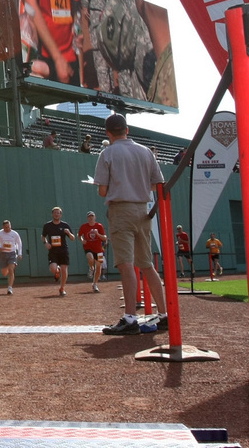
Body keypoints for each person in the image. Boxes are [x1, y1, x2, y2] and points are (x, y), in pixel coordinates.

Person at [96, 113, 169, 335]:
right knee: (147, 264)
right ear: (127, 129)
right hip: (143, 210)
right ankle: (164, 314)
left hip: (121, 210)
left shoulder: (107, 153)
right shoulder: (145, 151)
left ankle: (130, 318)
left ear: (108, 133)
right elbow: (159, 184)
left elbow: (102, 191)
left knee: (126, 264)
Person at [41, 207, 75, 296]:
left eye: (58, 213)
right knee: (53, 268)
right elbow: (43, 236)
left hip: (63, 250)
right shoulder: (47, 226)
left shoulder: (65, 225)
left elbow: (73, 238)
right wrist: (46, 243)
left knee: (64, 270)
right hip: (53, 251)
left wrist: (68, 233)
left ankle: (62, 288)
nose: (56, 214)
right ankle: (57, 270)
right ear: (52, 214)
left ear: (61, 215)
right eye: (55, 213)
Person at [78, 211, 108, 292]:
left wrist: (97, 234)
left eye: (92, 216)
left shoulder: (99, 226)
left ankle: (95, 284)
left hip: (99, 249)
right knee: (90, 258)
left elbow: (104, 237)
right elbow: (79, 235)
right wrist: (82, 240)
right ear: (87, 218)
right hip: (88, 247)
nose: (91, 218)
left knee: (99, 267)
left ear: (95, 217)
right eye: (89, 216)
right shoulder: (84, 226)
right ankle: (91, 268)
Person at [0, 220, 23, 294]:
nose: (8, 228)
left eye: (9, 226)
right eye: (6, 227)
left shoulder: (14, 234)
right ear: (3, 227)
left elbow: (19, 243)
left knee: (11, 270)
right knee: (4, 272)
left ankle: (10, 288)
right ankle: (7, 267)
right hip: (3, 254)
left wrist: (20, 253)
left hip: (12, 253)